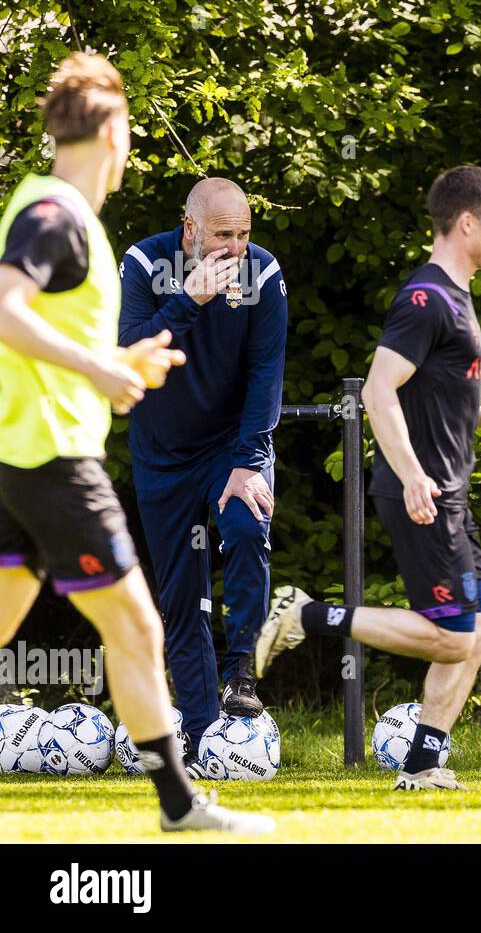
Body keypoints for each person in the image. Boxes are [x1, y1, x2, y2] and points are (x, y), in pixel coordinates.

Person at [0, 52, 271, 833]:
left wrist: (121, 364)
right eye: (128, 131)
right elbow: (7, 305)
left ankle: (179, 803)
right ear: (111, 132)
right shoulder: (58, 216)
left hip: (24, 456)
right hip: (52, 461)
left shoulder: (42, 204)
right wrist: (101, 369)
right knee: (139, 628)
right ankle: (180, 806)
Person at [254, 165, 481, 789]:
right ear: (467, 224)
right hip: (425, 491)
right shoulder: (426, 298)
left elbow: (431, 395)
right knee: (452, 638)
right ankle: (304, 618)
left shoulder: (456, 297)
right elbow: (378, 390)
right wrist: (412, 474)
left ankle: (422, 764)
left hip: (446, 491)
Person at [119, 177, 288, 770]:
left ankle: (242, 671)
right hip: (161, 453)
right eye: (223, 235)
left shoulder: (262, 274)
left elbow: (267, 373)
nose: (235, 248)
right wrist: (188, 300)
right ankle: (200, 735)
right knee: (182, 595)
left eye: (244, 234)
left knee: (246, 526)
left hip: (230, 445)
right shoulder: (144, 261)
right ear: (190, 230)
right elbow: (129, 353)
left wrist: (247, 462)